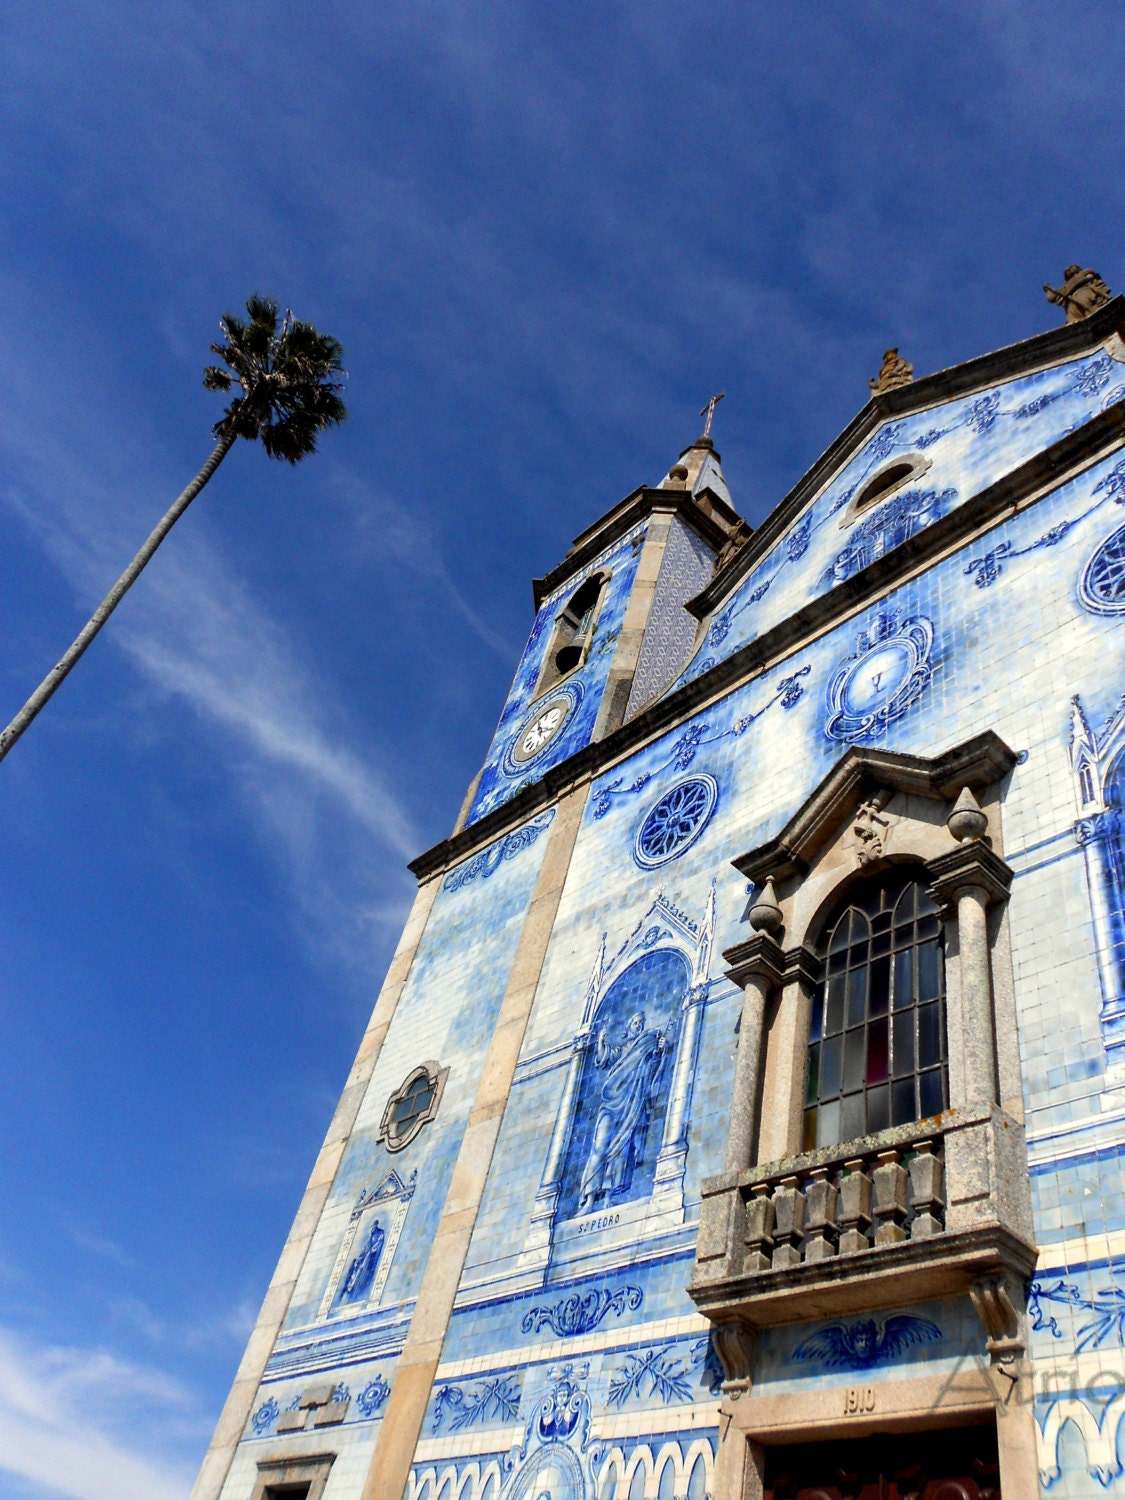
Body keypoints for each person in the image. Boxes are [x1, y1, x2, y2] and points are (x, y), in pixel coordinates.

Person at [577, 1011, 668, 1212]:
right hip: (611, 1104)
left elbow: (653, 1070)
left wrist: (659, 1052)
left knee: (621, 1149)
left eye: (641, 1023)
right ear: (629, 1026)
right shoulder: (623, 1049)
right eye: (635, 1022)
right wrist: (601, 1041)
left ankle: (608, 1198)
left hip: (632, 1103)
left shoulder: (645, 1047)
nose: (638, 1026)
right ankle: (589, 1199)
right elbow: (605, 1059)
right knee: (599, 1146)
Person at [339, 1216, 385, 1303]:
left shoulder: (380, 1233)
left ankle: (354, 1287)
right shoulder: (371, 1236)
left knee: (362, 1269)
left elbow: (378, 1244)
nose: (372, 1228)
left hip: (371, 1257)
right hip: (366, 1256)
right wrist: (360, 1258)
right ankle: (351, 1286)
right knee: (356, 1265)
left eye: (374, 1226)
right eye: (372, 1227)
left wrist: (372, 1250)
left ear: (376, 1225)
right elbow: (365, 1248)